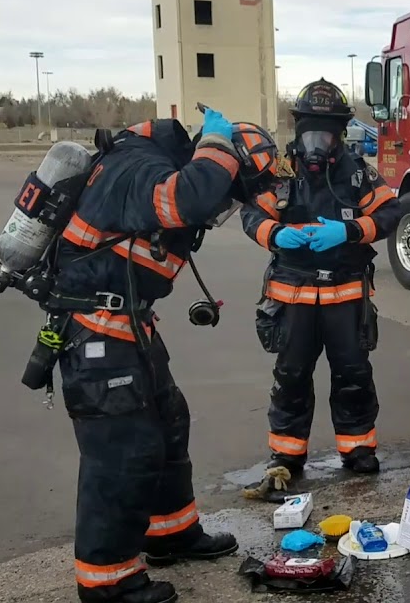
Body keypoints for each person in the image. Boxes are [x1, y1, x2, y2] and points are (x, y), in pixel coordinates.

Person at [52, 109, 279, 603]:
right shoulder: (137, 167)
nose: (221, 206)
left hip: (128, 323)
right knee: (123, 451)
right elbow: (188, 198)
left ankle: (171, 532)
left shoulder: (160, 164)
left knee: (169, 422)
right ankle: (106, 580)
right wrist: (220, 142)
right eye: (228, 188)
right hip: (95, 330)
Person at [239, 79, 402, 502]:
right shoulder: (281, 173)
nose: (318, 142)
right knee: (291, 377)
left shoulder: (357, 174)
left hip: (346, 299)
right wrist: (275, 235)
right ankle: (287, 456)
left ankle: (358, 448)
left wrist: (349, 230)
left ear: (340, 133)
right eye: (311, 130)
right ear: (298, 130)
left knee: (353, 376)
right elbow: (252, 216)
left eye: (327, 131)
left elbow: (389, 213)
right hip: (291, 298)